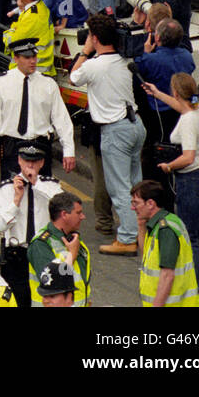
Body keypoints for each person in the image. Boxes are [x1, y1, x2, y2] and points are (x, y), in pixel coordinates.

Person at [67, 13, 145, 255]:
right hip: (135, 125)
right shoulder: (124, 61)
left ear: (95, 38)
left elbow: (73, 77)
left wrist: (84, 51)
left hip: (114, 130)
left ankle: (128, 238)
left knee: (119, 187)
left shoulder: (92, 65)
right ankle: (141, 232)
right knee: (135, 184)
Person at [142, 72, 199, 304]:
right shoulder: (196, 108)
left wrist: (169, 165)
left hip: (191, 181)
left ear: (176, 91)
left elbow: (189, 157)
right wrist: (157, 93)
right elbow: (180, 106)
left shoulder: (190, 120)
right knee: (191, 234)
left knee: (189, 238)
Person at [0, 38, 76, 179]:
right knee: (12, 194)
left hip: (41, 145)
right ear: (16, 58)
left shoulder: (48, 84)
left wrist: (69, 150)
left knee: (42, 193)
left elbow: (61, 118)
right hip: (12, 146)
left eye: (34, 56)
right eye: (27, 57)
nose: (32, 61)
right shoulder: (0, 83)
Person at [0, 142, 59, 307]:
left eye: (35, 161)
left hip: (43, 253)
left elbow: (62, 209)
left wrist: (37, 185)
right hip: (16, 254)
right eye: (26, 160)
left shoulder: (52, 186)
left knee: (43, 301)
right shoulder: (6, 188)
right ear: (19, 161)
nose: (30, 165)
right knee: (16, 302)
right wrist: (16, 200)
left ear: (42, 163)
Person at [131, 179, 199, 307]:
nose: (132, 207)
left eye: (136, 203)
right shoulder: (161, 223)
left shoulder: (165, 230)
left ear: (150, 203)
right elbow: (145, 253)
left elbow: (167, 275)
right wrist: (141, 226)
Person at [28, 191, 91, 306]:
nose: (83, 216)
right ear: (64, 215)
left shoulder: (73, 238)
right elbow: (50, 281)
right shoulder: (41, 244)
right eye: (78, 213)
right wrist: (72, 254)